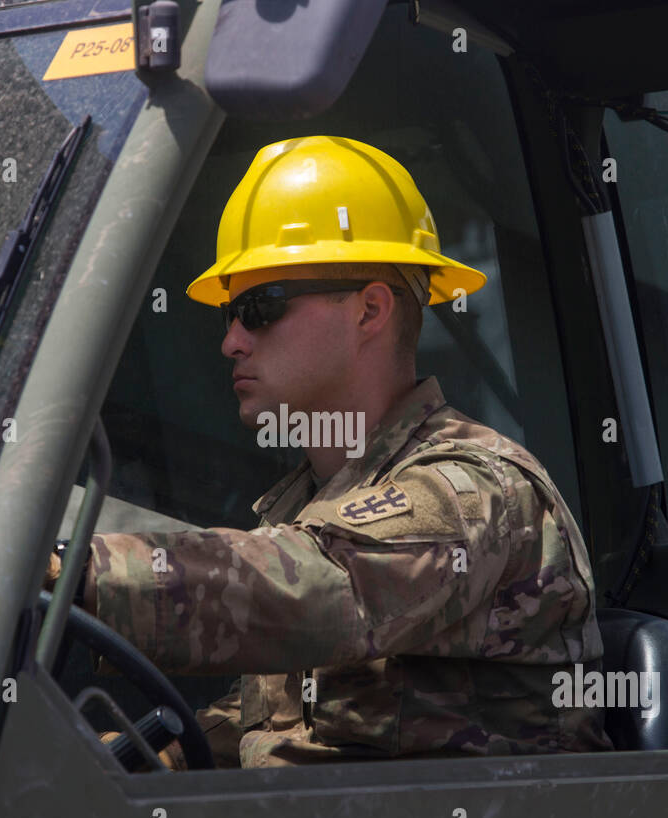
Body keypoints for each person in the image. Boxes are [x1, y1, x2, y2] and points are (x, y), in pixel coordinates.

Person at [49, 135, 612, 769]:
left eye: (260, 307)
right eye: (229, 315)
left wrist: (66, 574)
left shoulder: (474, 492)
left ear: (370, 309)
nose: (232, 341)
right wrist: (141, 759)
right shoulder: (308, 505)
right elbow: (278, 725)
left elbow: (317, 587)